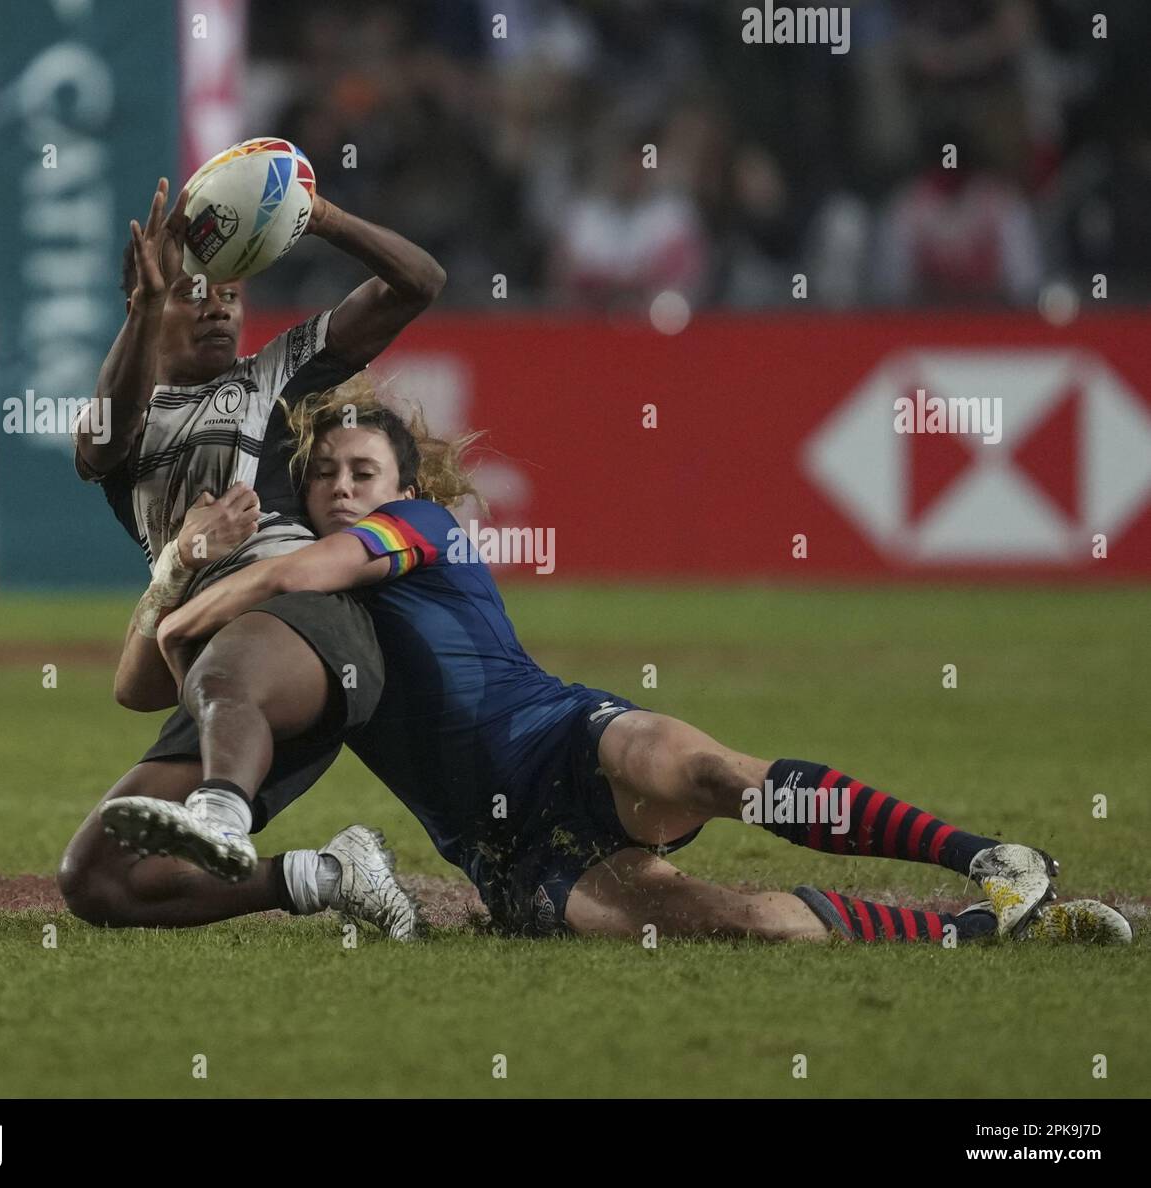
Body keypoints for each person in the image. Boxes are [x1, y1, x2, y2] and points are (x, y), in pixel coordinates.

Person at [107, 381, 1132, 945]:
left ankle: (987, 860)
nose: (339, 484)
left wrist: (195, 586)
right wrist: (181, 581)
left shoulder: (405, 528)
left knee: (714, 776)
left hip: (565, 741)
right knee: (728, 923)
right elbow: (142, 688)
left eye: (359, 469)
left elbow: (304, 573)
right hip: (507, 859)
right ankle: (970, 931)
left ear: (406, 483)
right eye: (323, 472)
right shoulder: (311, 603)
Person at [57, 177, 446, 939]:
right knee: (96, 880)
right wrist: (182, 558)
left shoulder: (277, 377)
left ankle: (220, 814)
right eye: (192, 294)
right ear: (144, 306)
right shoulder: (124, 431)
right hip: (217, 686)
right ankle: (329, 875)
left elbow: (419, 281)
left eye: (230, 293)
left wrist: (322, 215)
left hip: (305, 630)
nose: (217, 306)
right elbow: (100, 437)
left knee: (226, 672)